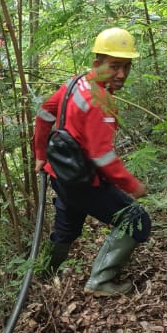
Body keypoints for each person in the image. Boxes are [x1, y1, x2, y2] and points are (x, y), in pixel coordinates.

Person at [33, 28, 151, 296]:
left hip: (60, 175)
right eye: (114, 66)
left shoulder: (74, 83)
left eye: (126, 66)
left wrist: (41, 154)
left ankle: (44, 275)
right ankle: (100, 282)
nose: (121, 74)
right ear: (98, 63)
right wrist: (132, 186)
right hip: (85, 182)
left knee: (66, 230)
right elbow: (102, 156)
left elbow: (44, 114)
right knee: (137, 220)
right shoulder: (100, 101)